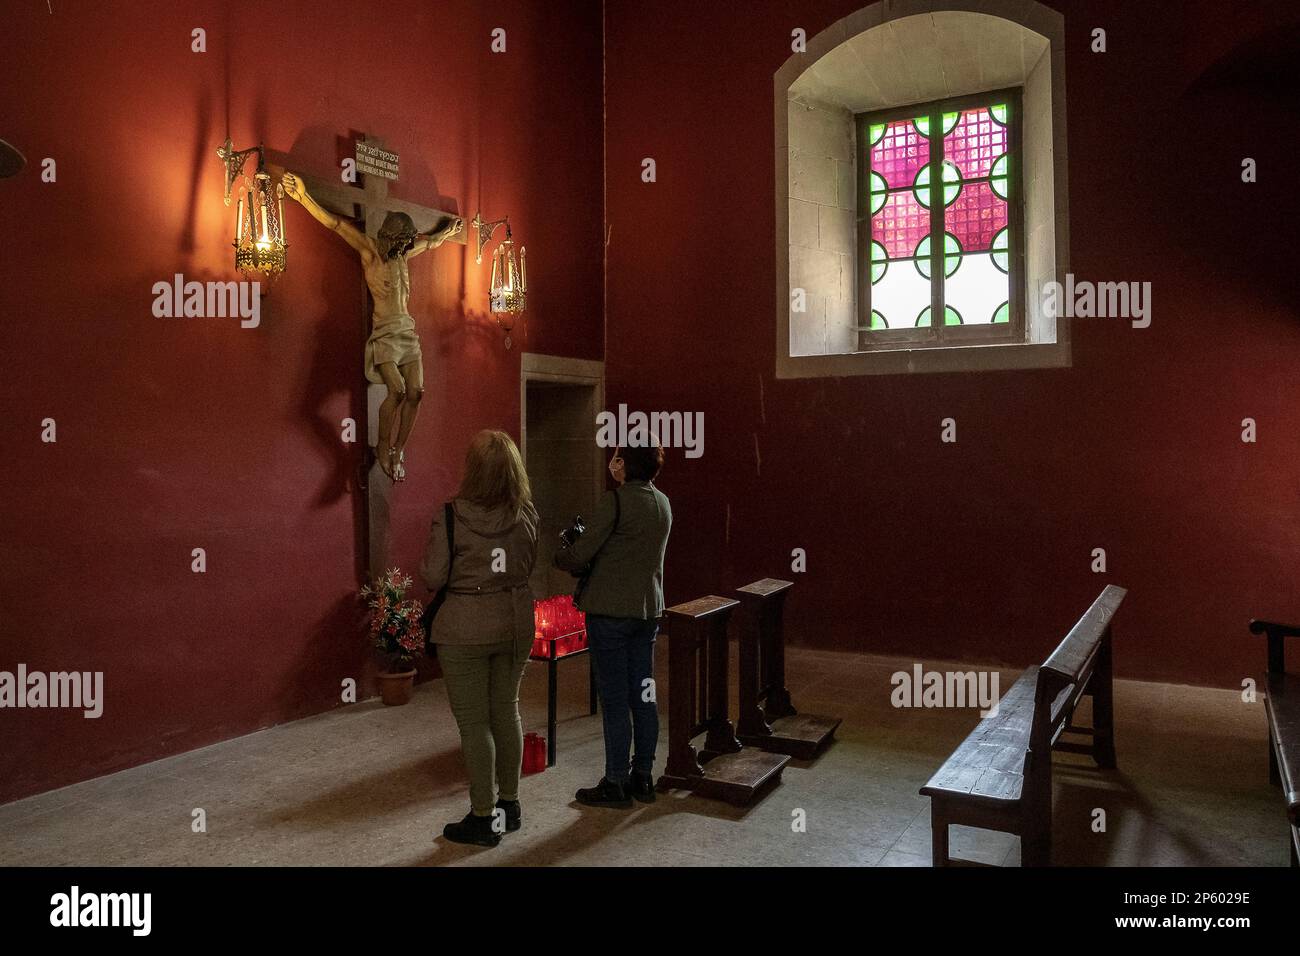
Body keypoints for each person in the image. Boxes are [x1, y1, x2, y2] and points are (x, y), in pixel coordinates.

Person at [282, 171, 462, 481]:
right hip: (385, 333)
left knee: (416, 392)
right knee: (397, 390)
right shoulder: (370, 253)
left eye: (409, 239)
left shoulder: (403, 257)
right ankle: (382, 448)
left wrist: (447, 231)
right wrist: (303, 195)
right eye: (404, 238)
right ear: (392, 235)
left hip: (407, 332)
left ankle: (398, 450)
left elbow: (430, 243)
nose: (409, 243)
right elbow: (335, 224)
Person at [421, 430, 539, 846]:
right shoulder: (526, 512)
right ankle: (511, 804)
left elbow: (433, 576)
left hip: (465, 626)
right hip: (516, 620)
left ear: (472, 470)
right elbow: (529, 562)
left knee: (474, 724)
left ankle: (483, 817)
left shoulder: (452, 515)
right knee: (507, 710)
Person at [556, 442, 671, 808]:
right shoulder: (664, 503)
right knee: (644, 696)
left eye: (619, 456)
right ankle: (644, 777)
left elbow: (581, 553)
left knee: (615, 700)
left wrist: (561, 552)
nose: (612, 462)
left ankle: (615, 782)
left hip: (609, 613)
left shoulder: (616, 502)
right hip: (647, 612)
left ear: (628, 464)